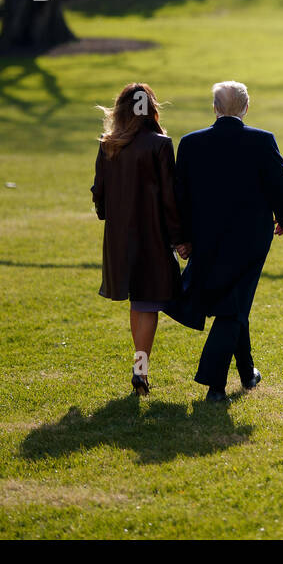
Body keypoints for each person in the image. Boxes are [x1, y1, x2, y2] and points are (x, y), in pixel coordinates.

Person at [175, 80, 283, 402]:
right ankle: (215, 385)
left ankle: (247, 372)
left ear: (214, 108)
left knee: (236, 301)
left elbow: (179, 196)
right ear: (245, 107)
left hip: (206, 238)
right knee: (234, 305)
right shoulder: (262, 140)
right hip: (250, 238)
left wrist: (182, 238)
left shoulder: (190, 143)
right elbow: (282, 183)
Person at [91, 82, 186, 396]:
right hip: (152, 237)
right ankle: (140, 370)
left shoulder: (109, 145)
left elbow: (99, 194)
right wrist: (179, 239)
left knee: (139, 302)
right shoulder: (160, 144)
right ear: (151, 109)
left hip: (119, 239)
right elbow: (169, 199)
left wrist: (110, 214)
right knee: (147, 303)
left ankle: (140, 368)